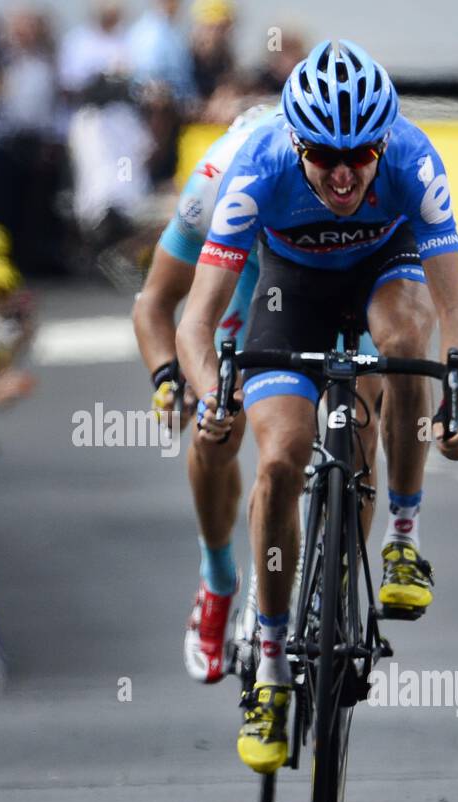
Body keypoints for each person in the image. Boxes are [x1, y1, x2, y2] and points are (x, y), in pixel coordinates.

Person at [176, 40, 458, 774]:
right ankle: (274, 668)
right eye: (323, 157)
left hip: (385, 269)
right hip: (292, 291)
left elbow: (457, 310)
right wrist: (211, 398)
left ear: (383, 142)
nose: (344, 175)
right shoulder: (258, 166)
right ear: (295, 144)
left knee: (408, 337)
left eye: (360, 156)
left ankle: (403, 534)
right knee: (279, 462)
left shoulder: (413, 159)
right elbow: (195, 320)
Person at [134, 102, 384, 686]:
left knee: (367, 406)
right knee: (217, 423)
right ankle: (220, 578)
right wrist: (169, 380)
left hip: (328, 268)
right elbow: (153, 304)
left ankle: (331, 584)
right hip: (247, 278)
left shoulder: (343, 172)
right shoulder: (217, 184)